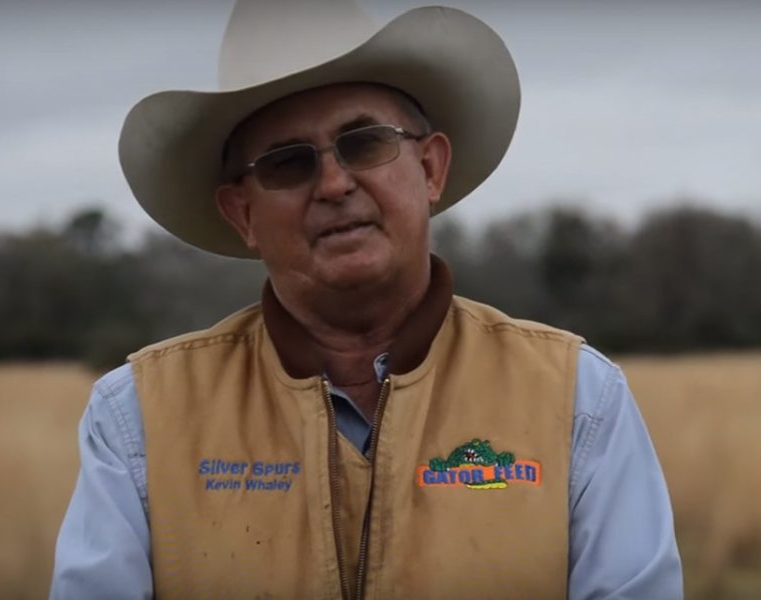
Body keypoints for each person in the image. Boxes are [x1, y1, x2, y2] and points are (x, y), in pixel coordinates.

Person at [50, 1, 682, 598]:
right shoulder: (136, 418)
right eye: (288, 163)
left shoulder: (578, 398)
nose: (332, 183)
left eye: (365, 142)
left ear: (431, 169)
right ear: (242, 213)